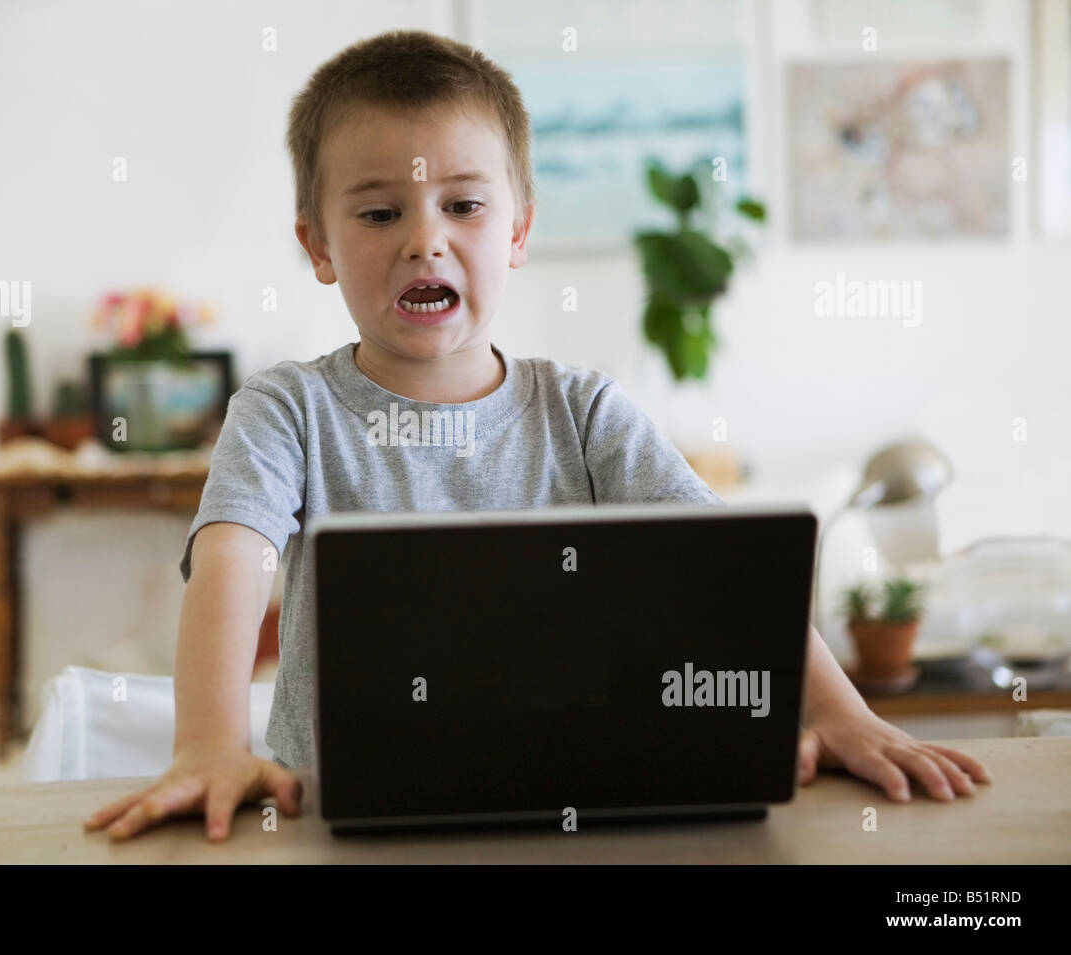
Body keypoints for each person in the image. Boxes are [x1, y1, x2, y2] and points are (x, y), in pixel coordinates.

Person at [85, 29, 990, 843]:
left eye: (463, 206)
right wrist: (210, 742)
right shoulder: (286, 410)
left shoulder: (586, 411)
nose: (425, 241)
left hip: (574, 807)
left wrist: (838, 711)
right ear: (317, 245)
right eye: (377, 213)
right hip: (342, 817)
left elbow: (721, 567)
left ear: (517, 228)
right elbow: (231, 560)